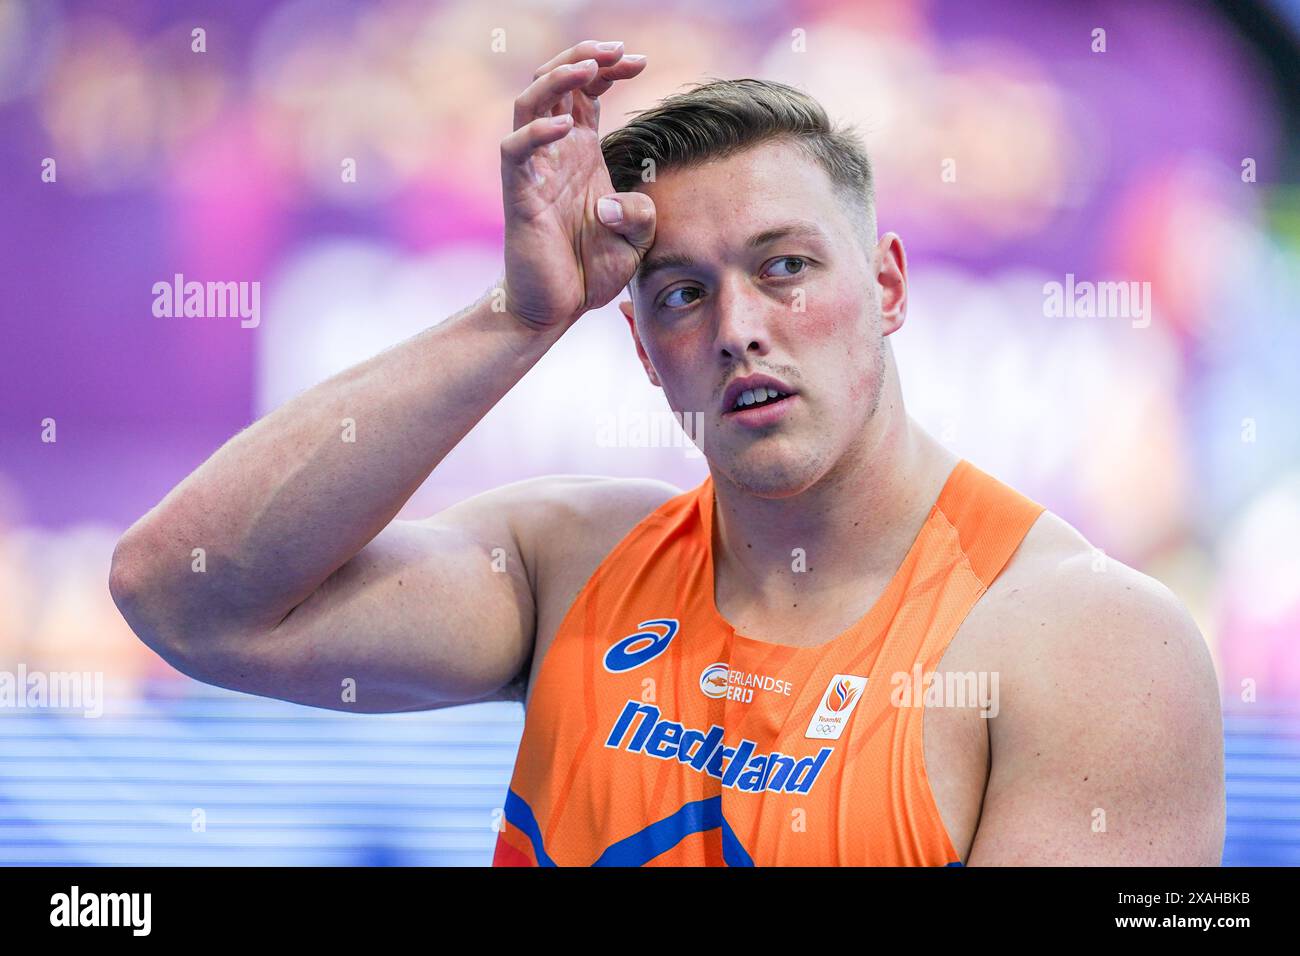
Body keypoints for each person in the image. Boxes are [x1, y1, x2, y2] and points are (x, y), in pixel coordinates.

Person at [109, 39, 1225, 866]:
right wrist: (517, 316)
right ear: (643, 348)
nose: (738, 325)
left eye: (785, 266)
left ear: (886, 286)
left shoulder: (1090, 643)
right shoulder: (574, 568)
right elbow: (187, 597)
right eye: (684, 292)